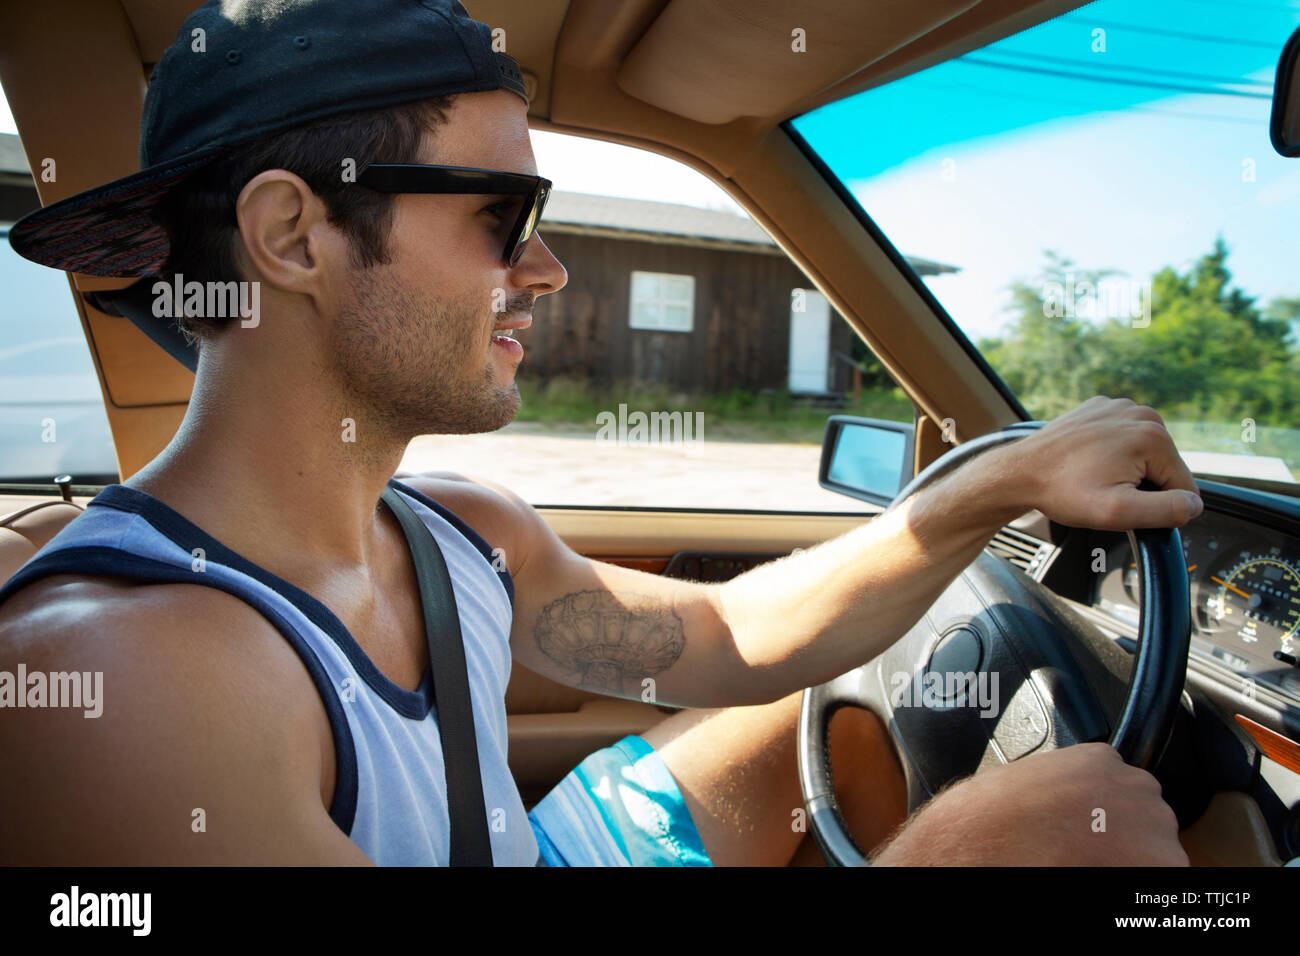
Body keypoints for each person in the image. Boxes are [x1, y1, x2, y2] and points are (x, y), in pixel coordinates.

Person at [0, 0, 1192, 866]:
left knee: (806, 709)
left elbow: (724, 631)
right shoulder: (130, 682)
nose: (548, 267)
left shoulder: (457, 535)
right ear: (294, 236)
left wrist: (986, 487)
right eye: (500, 214)